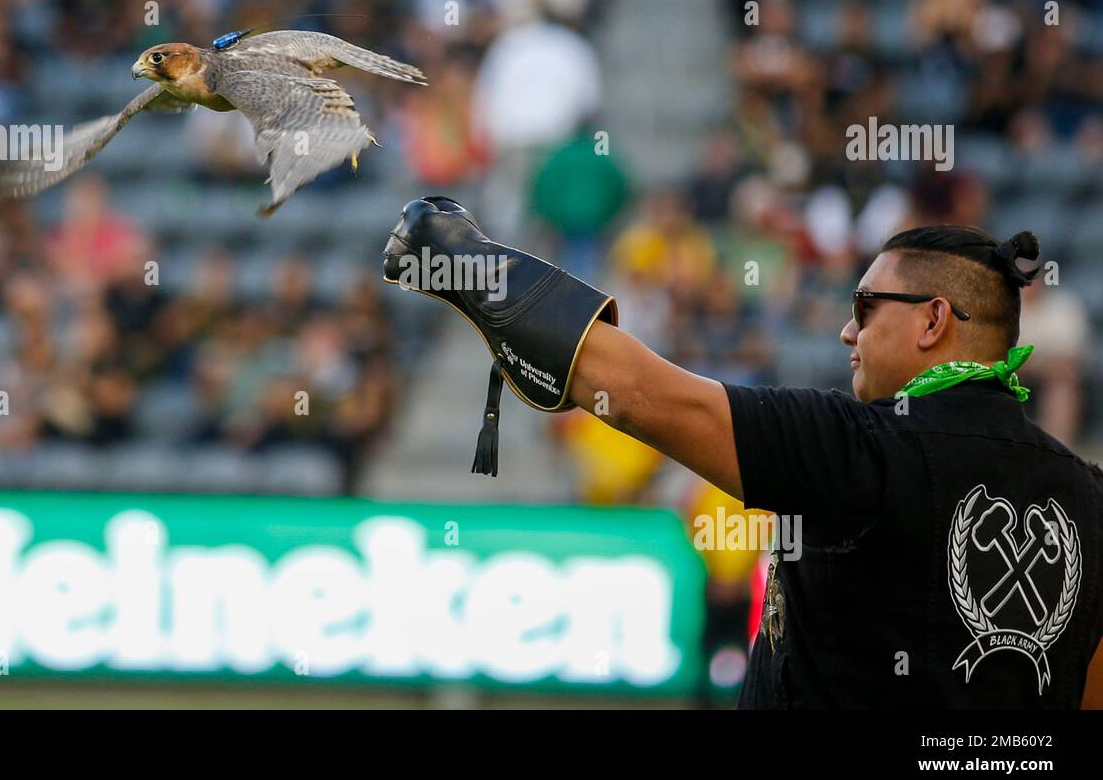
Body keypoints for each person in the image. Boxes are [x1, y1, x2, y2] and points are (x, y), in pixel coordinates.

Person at [383, 197, 1103, 708]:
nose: (848, 336)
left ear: (933, 320)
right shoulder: (1091, 499)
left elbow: (638, 393)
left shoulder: (857, 449)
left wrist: (469, 265)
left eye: (864, 309)